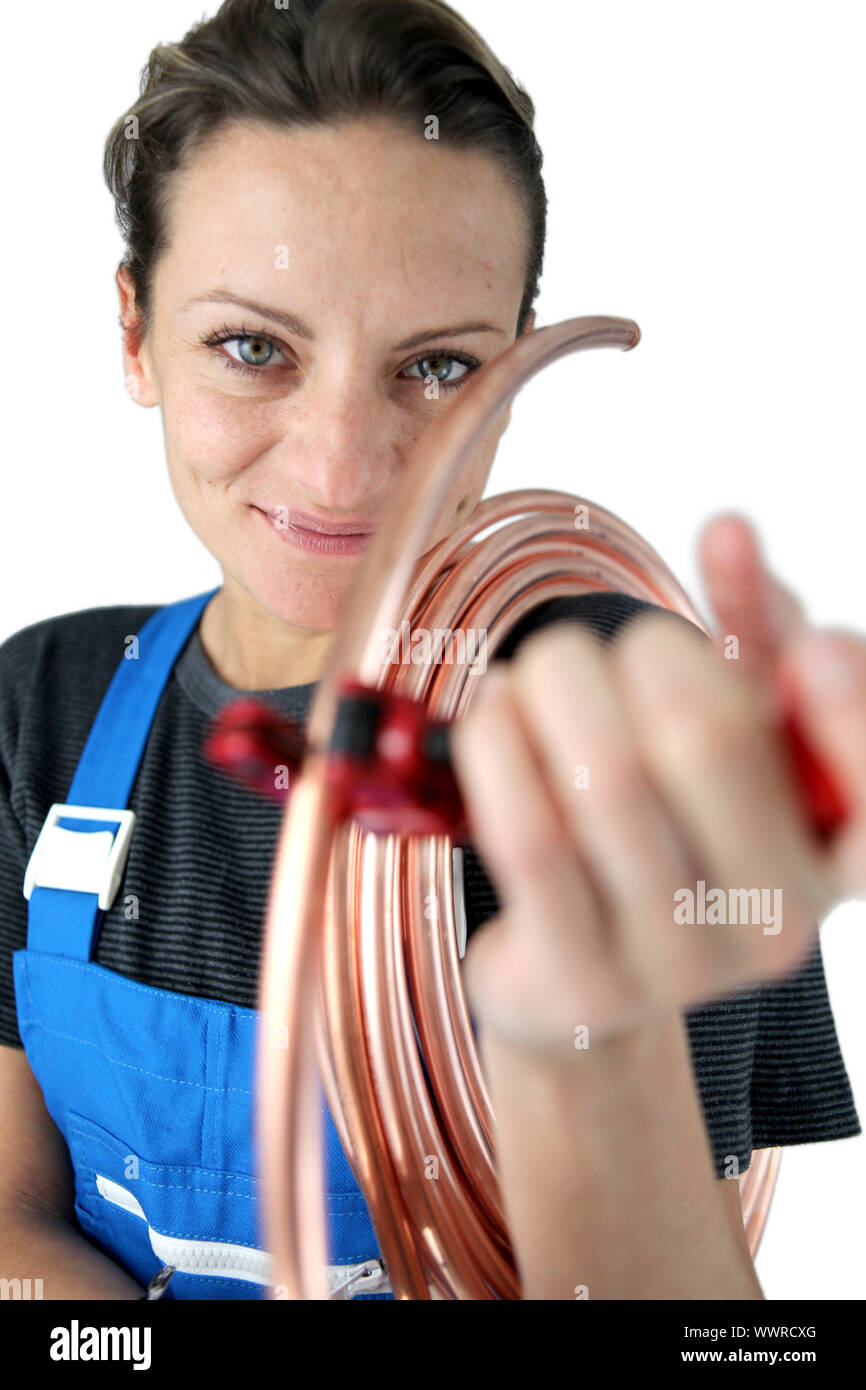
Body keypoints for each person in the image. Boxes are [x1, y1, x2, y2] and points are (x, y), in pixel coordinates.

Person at [0, 0, 861, 1301]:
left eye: (437, 368)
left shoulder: (636, 743)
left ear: (514, 368)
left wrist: (596, 1062)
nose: (345, 467)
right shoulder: (39, 706)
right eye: (252, 347)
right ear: (135, 333)